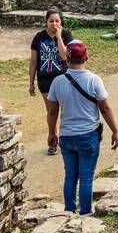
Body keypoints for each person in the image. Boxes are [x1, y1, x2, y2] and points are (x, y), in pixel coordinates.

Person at [45, 40, 118, 215]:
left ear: (67, 58)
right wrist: (115, 130)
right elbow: (105, 108)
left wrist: (51, 133)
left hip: (66, 136)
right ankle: (86, 212)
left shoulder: (57, 82)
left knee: (70, 175)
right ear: (85, 58)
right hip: (88, 135)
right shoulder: (94, 80)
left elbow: (52, 112)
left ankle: (69, 210)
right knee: (86, 177)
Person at [30, 8, 77, 157]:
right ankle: (52, 139)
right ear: (46, 22)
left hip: (63, 78)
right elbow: (33, 61)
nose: (54, 23)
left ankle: (67, 140)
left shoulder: (66, 35)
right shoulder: (38, 37)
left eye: (57, 21)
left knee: (66, 110)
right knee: (51, 111)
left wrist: (59, 37)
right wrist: (31, 82)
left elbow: (65, 57)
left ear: (61, 22)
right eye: (51, 21)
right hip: (45, 80)